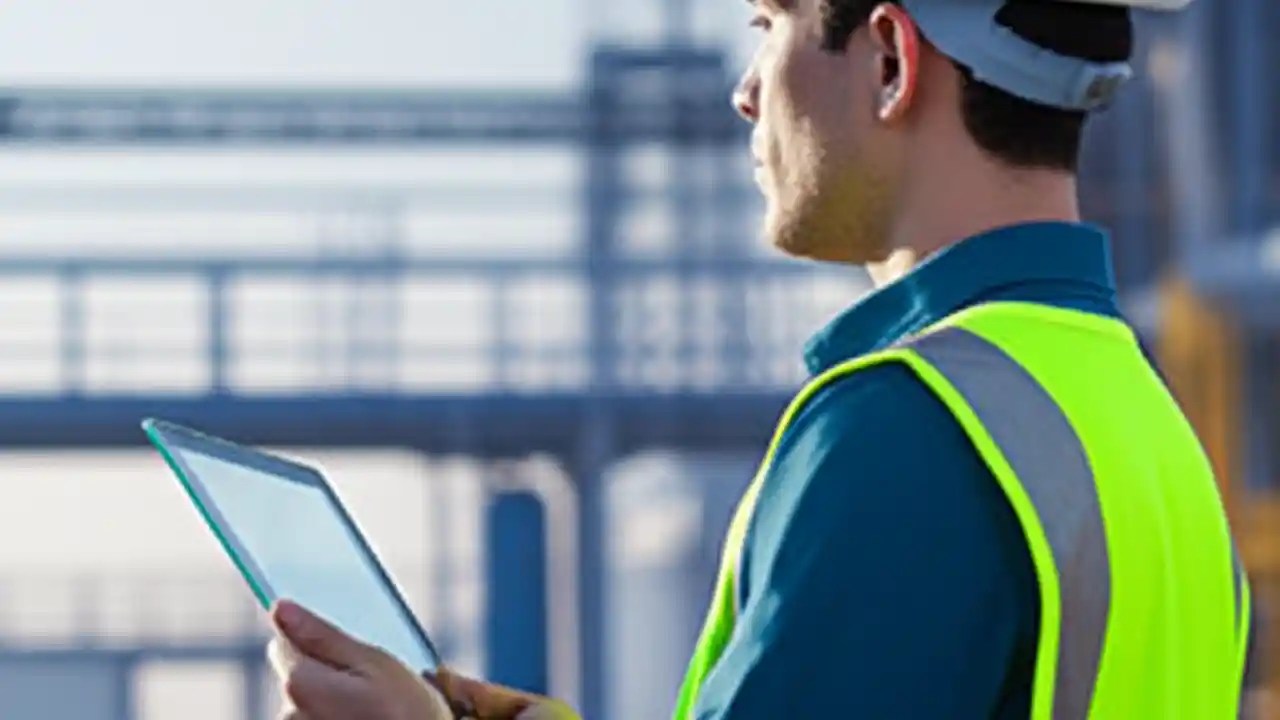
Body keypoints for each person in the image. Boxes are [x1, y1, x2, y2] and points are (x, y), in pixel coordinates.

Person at [267, 0, 1253, 718]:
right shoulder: (1146, 431)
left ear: (888, 62)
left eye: (768, 27)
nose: (744, 95)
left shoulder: (907, 428)